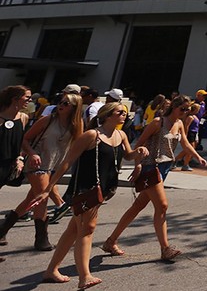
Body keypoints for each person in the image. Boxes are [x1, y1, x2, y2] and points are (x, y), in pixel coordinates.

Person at [36, 102, 149, 288]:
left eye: (126, 113)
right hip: (84, 189)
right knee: (87, 229)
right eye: (120, 112)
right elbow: (68, 161)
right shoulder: (91, 135)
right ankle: (85, 276)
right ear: (106, 115)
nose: (124, 115)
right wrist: (49, 188)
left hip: (103, 190)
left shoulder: (120, 135)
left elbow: (128, 155)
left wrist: (139, 152)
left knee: (73, 230)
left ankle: (51, 270)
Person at [101, 94, 207, 261]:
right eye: (182, 109)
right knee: (162, 206)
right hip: (151, 167)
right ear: (174, 107)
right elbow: (139, 144)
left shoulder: (179, 124)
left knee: (137, 206)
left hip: (165, 168)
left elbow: (185, 143)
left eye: (187, 109)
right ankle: (165, 248)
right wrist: (138, 165)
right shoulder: (158, 122)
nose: (185, 112)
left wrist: (197, 157)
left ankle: (110, 241)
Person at [16, 91, 84, 250]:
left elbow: (78, 146)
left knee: (30, 201)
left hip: (54, 166)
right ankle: (41, 239)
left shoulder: (77, 124)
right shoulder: (47, 120)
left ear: (74, 107)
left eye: (66, 103)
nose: (61, 105)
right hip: (37, 164)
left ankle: (3, 229)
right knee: (42, 199)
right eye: (61, 102)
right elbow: (25, 138)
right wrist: (32, 153)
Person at [0, 85, 32, 257]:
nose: (30, 100)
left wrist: (20, 159)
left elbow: (20, 142)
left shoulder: (24, 118)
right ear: (15, 99)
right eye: (27, 97)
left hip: (7, 166)